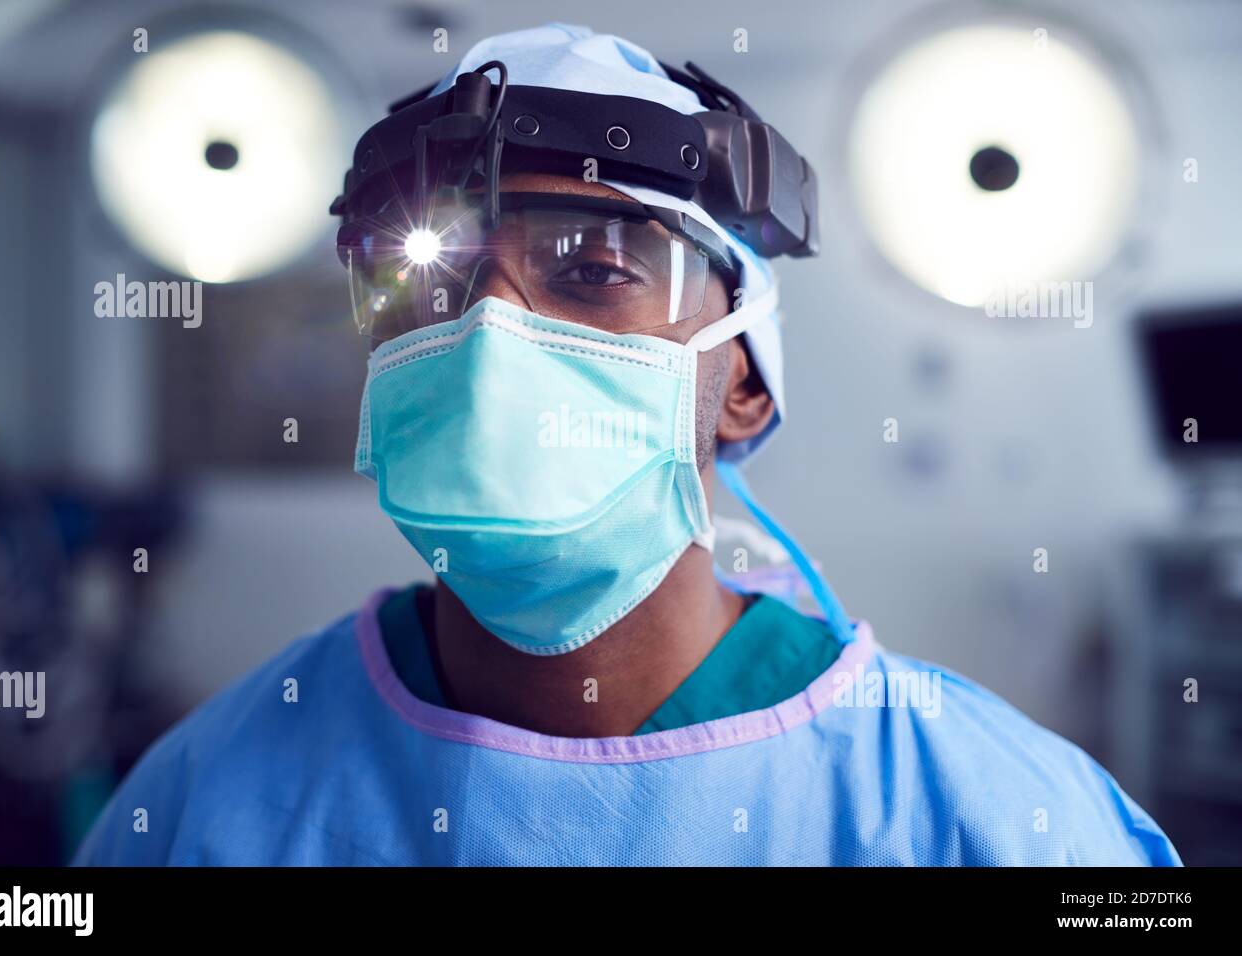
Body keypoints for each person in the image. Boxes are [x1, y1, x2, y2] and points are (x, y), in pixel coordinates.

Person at [73, 23, 1180, 866]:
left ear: (742, 381)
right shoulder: (207, 800)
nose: (488, 334)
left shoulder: (998, 818)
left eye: (592, 270)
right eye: (429, 279)